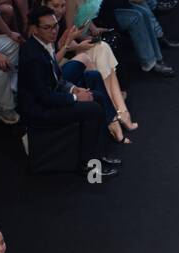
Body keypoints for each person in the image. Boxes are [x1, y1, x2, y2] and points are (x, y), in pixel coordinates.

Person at [18, 6, 119, 177]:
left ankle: (100, 154)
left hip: (49, 100)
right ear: (34, 29)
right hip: (40, 110)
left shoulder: (44, 45)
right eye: (47, 27)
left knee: (99, 97)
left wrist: (73, 88)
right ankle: (88, 164)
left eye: (55, 25)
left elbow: (56, 78)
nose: (54, 31)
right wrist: (75, 97)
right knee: (93, 109)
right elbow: (45, 97)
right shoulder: (33, 55)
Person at [47, 0, 135, 141]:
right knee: (91, 58)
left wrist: (79, 42)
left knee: (103, 47)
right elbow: (50, 62)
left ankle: (121, 111)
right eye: (55, 6)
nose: (60, 10)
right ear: (44, 5)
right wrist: (75, 46)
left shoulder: (56, 20)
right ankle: (113, 115)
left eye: (62, 6)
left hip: (69, 54)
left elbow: (69, 38)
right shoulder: (44, 25)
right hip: (58, 69)